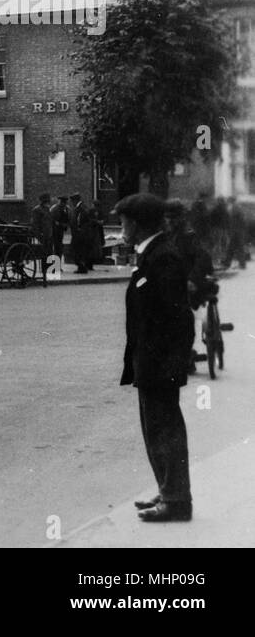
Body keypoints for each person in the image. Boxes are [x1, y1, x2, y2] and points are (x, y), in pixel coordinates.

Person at [114, 192, 194, 523]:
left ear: (137, 224)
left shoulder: (164, 258)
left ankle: (176, 500)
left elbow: (179, 317)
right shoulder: (152, 255)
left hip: (161, 363)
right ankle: (167, 491)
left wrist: (174, 360)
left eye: (124, 222)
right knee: (156, 430)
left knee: (165, 431)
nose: (122, 229)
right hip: (151, 362)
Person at [164, 199, 214, 375]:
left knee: (183, 317)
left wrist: (192, 279)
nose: (169, 221)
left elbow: (202, 259)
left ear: (180, 218)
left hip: (188, 286)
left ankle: (185, 356)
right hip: (170, 285)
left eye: (173, 218)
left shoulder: (189, 236)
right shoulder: (165, 235)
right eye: (167, 218)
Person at [221, 196, 247, 269]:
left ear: (231, 201)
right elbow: (241, 220)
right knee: (235, 248)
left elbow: (234, 220)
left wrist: (232, 230)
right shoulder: (237, 207)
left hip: (236, 231)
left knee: (233, 248)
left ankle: (228, 263)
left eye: (229, 201)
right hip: (238, 231)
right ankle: (240, 264)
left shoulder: (235, 208)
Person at [30, 193, 54, 260]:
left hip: (49, 235)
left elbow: (49, 221)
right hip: (43, 236)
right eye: (47, 201)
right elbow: (35, 224)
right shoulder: (37, 210)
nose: (48, 202)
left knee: (50, 253)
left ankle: (50, 268)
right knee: (44, 254)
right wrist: (40, 235)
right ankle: (45, 269)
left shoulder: (47, 209)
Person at [50, 196, 70, 267]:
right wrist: (62, 225)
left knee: (59, 248)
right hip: (54, 232)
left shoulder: (66, 209)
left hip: (60, 232)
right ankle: (55, 266)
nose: (64, 204)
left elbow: (67, 219)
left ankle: (57, 266)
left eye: (65, 203)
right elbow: (53, 221)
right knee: (56, 249)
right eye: (62, 203)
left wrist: (65, 225)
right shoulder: (54, 209)